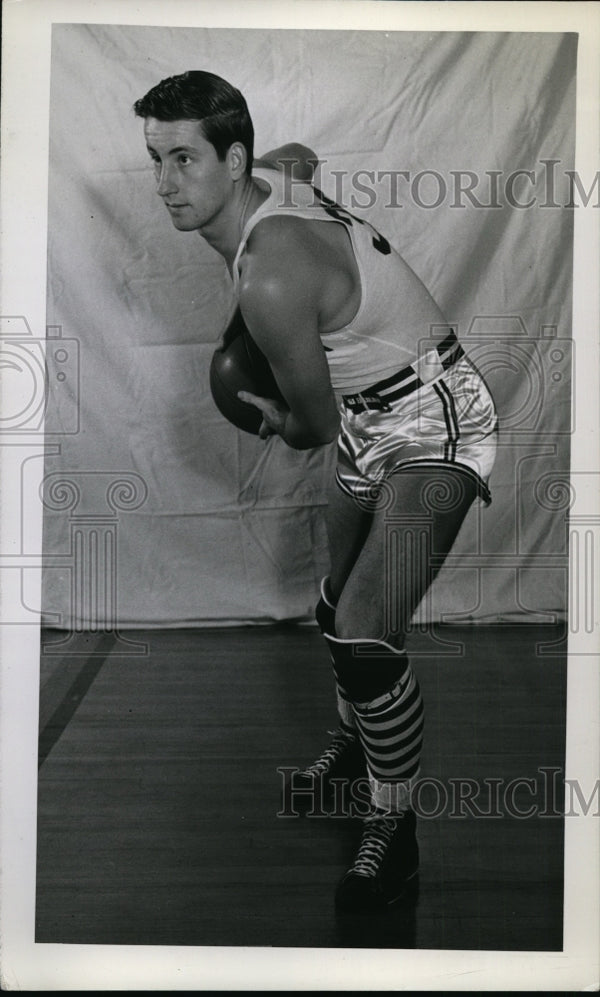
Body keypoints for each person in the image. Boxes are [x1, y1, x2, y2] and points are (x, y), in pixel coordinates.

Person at [134, 70, 498, 911]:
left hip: (438, 418)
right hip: (370, 418)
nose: (164, 185)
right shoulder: (271, 176)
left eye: (183, 160)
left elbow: (309, 422)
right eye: (155, 160)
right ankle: (355, 743)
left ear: (232, 159)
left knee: (369, 630)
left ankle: (393, 827)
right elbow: (301, 155)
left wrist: (265, 418)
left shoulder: (267, 276)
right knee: (338, 605)